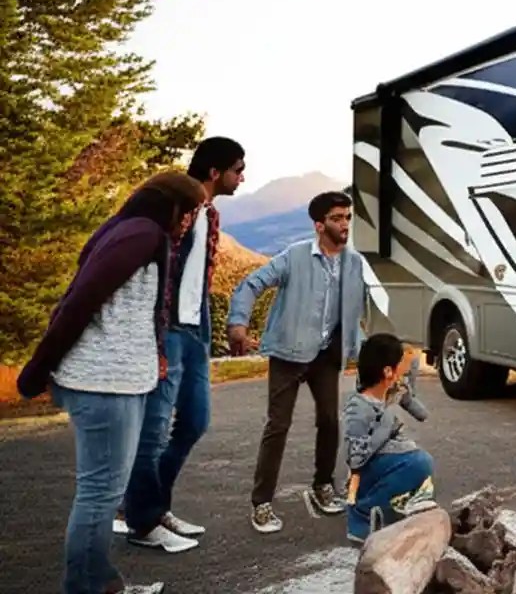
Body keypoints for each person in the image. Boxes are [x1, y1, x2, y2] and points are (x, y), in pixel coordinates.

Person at [17, 171, 208, 594]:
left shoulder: (137, 232)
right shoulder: (140, 233)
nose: (190, 221)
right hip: (105, 383)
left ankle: (100, 582)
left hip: (117, 381)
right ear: (169, 204)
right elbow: (80, 300)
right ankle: (85, 587)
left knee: (105, 490)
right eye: (189, 210)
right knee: (100, 492)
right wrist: (35, 371)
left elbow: (138, 310)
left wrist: (153, 355)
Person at [118, 136, 246, 553]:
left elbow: (199, 278)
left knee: (194, 421)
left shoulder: (211, 213)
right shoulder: (179, 207)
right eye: (237, 169)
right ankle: (143, 520)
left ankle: (149, 505)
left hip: (195, 329)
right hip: (167, 327)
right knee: (153, 430)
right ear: (215, 172)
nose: (242, 177)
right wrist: (154, 329)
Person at [229, 190, 372, 533]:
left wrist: (363, 349)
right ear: (319, 224)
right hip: (288, 353)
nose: (345, 224)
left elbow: (363, 312)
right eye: (337, 218)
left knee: (329, 421)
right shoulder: (294, 257)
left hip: (327, 355)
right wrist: (238, 322)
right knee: (278, 426)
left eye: (348, 217)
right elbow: (252, 284)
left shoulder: (354, 264)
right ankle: (261, 503)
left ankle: (323, 485)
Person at [343, 332, 435, 544]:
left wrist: (406, 394)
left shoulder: (387, 393)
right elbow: (355, 457)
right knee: (419, 463)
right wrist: (387, 424)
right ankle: (363, 514)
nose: (403, 371)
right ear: (387, 371)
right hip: (368, 470)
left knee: (422, 466)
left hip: (387, 457)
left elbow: (422, 414)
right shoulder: (358, 407)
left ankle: (394, 512)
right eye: (399, 366)